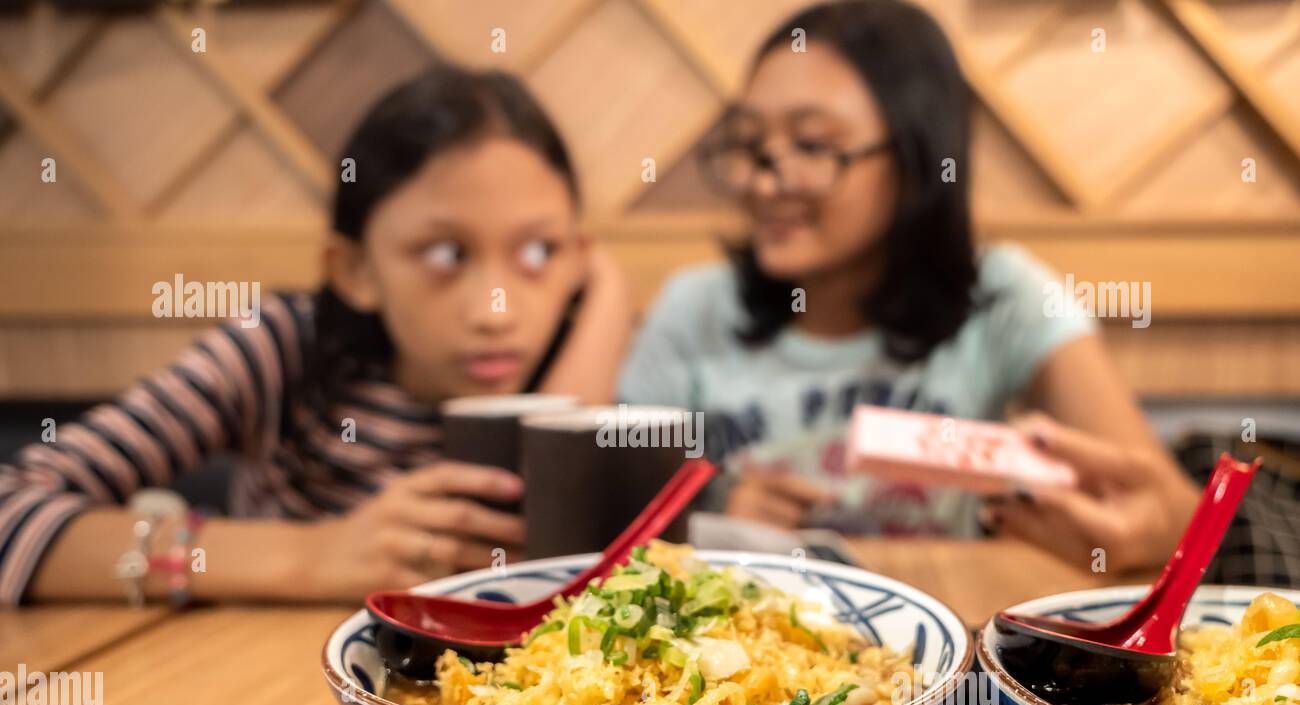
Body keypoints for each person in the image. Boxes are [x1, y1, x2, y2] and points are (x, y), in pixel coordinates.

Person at [0, 65, 633, 605]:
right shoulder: (281, 350)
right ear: (355, 270)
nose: (496, 313)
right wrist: (312, 556)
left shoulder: (576, 364)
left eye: (539, 251)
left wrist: (607, 305)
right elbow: (10, 510)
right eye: (445, 254)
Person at [618, 0, 1197, 572]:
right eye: (750, 146)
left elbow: (1173, 516)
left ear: (916, 157)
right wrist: (720, 526)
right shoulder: (693, 309)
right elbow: (615, 528)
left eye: (812, 145)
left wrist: (1125, 535)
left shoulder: (1001, 297)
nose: (765, 183)